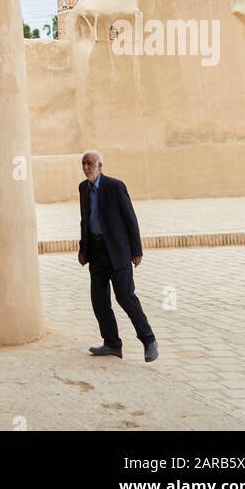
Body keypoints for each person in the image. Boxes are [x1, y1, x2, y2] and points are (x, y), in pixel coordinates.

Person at [78, 150, 158, 361]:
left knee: (125, 297)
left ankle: (149, 340)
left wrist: (137, 251)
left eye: (90, 164)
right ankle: (112, 343)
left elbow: (130, 219)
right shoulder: (83, 188)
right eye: (84, 164)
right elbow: (84, 221)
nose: (87, 167)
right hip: (96, 253)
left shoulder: (114, 187)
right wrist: (82, 249)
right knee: (99, 300)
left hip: (118, 252)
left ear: (100, 165)